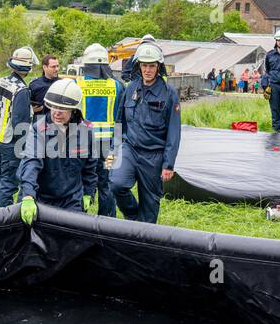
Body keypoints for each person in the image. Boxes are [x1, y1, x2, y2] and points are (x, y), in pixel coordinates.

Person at [111, 41, 180, 223]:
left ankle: (142, 237)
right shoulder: (130, 88)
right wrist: (113, 151)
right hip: (130, 149)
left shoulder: (169, 93)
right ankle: (133, 216)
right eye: (144, 65)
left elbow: (174, 131)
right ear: (138, 66)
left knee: (150, 208)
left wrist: (168, 164)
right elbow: (119, 121)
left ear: (159, 67)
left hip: (154, 156)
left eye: (151, 66)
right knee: (116, 184)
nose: (147, 70)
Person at [17, 79, 99, 224]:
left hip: (71, 199)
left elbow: (90, 167)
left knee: (72, 240)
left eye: (62, 108)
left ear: (75, 109)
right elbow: (31, 161)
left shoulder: (86, 131)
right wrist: (28, 196)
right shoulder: (39, 129)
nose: (56, 112)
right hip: (41, 199)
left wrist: (88, 193)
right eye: (53, 106)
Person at [0, 45, 36, 209]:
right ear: (27, 69)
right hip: (10, 143)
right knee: (8, 183)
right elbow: (20, 123)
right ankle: (1, 221)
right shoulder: (21, 90)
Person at [77, 43, 123, 216]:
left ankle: (78, 220)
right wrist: (117, 146)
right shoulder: (118, 86)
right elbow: (120, 120)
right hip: (109, 146)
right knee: (107, 184)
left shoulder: (77, 84)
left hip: (82, 145)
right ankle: (107, 222)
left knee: (81, 181)